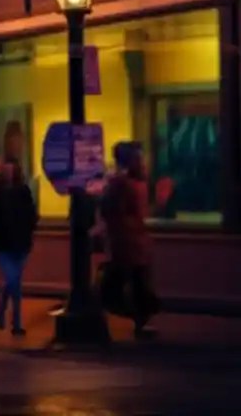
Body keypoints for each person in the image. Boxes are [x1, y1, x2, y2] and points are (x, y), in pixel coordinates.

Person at [99, 142, 160, 338]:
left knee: (133, 286)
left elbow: (139, 214)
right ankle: (135, 320)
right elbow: (113, 213)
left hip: (135, 245)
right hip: (126, 245)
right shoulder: (121, 184)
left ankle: (138, 322)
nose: (143, 162)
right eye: (139, 158)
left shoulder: (135, 183)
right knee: (117, 288)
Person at [0, 153, 38, 336]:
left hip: (21, 243)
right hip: (2, 244)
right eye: (6, 169)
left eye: (12, 169)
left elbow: (31, 213)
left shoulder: (23, 191)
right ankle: (15, 323)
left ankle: (3, 315)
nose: (9, 173)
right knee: (13, 280)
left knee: (13, 281)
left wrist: (30, 229)